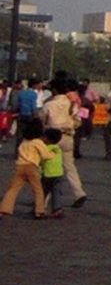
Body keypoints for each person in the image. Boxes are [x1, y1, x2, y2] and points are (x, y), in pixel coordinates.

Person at [39, 75, 88, 208]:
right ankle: (79, 193)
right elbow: (78, 122)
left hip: (51, 139)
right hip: (67, 137)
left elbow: (41, 121)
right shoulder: (71, 103)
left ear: (54, 90)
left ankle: (43, 201)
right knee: (69, 167)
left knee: (47, 169)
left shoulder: (49, 104)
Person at [0, 117, 55, 219]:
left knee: (13, 189)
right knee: (38, 190)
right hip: (32, 167)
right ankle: (39, 211)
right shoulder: (38, 142)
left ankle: (3, 209)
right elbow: (45, 155)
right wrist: (53, 154)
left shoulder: (24, 141)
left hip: (20, 166)